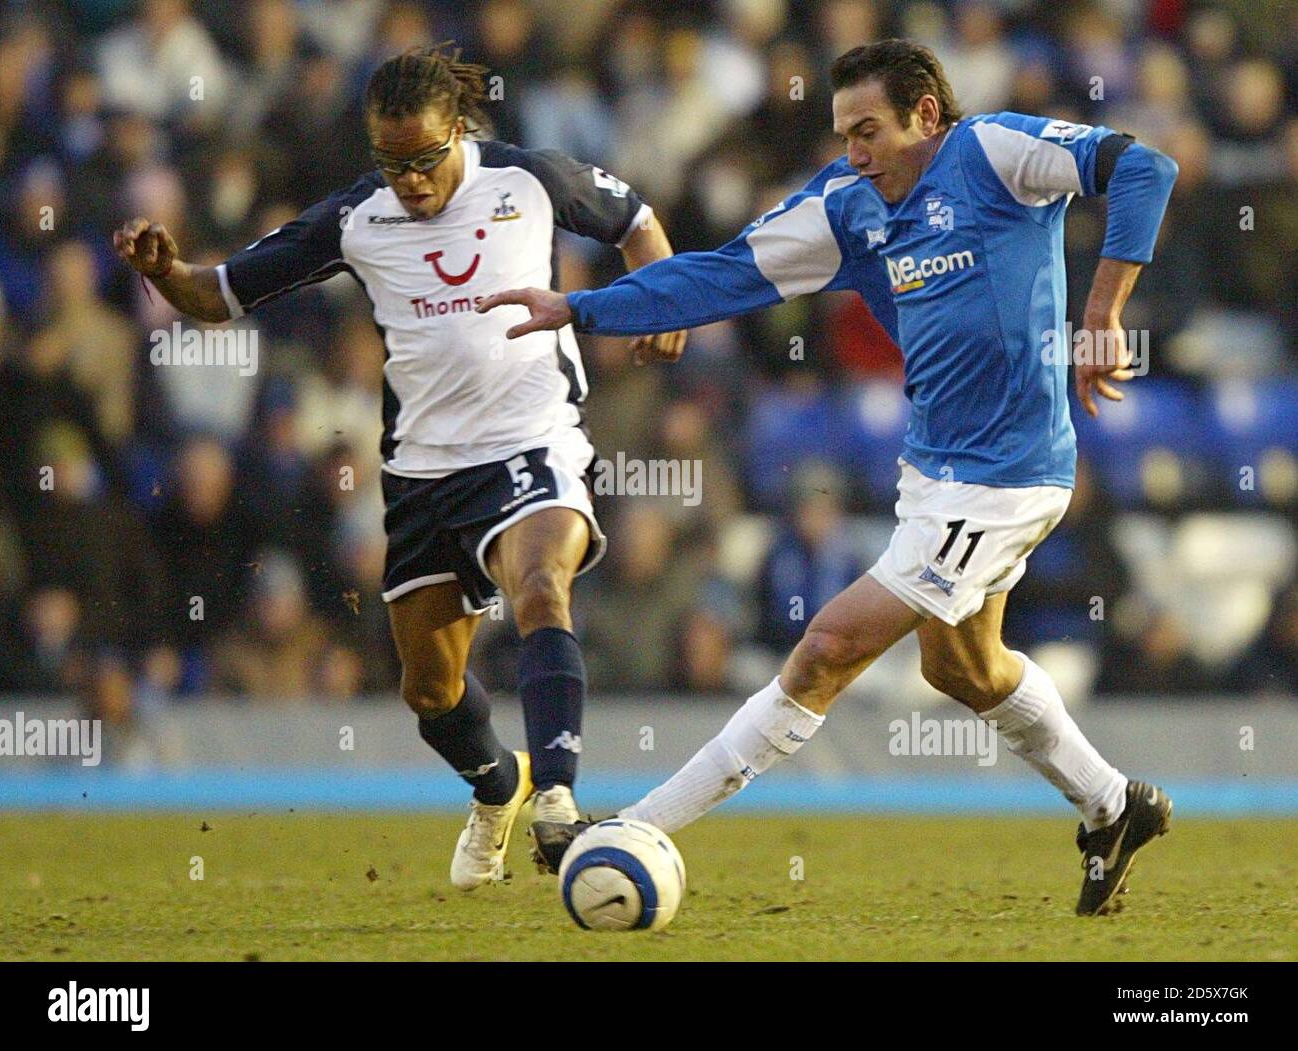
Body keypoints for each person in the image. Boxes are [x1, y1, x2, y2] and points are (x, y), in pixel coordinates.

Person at [480, 39, 1178, 917]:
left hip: (1011, 473)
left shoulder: (995, 152)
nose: (853, 152)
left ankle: (635, 825)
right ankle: (1116, 807)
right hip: (931, 473)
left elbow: (1145, 167)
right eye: (844, 132)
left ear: (928, 115)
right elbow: (724, 274)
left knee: (827, 648)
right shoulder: (848, 206)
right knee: (962, 667)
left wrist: (1104, 311)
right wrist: (579, 308)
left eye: (869, 130)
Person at [113, 45, 686, 891]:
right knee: (428, 691)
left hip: (533, 436)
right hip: (423, 470)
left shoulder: (529, 179)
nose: (410, 181)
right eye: (391, 163)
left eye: (423, 159)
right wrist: (167, 271)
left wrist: (661, 294)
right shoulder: (355, 218)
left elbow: (634, 217)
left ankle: (560, 801)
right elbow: (221, 293)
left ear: (458, 129)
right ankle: (501, 783)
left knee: (539, 589)